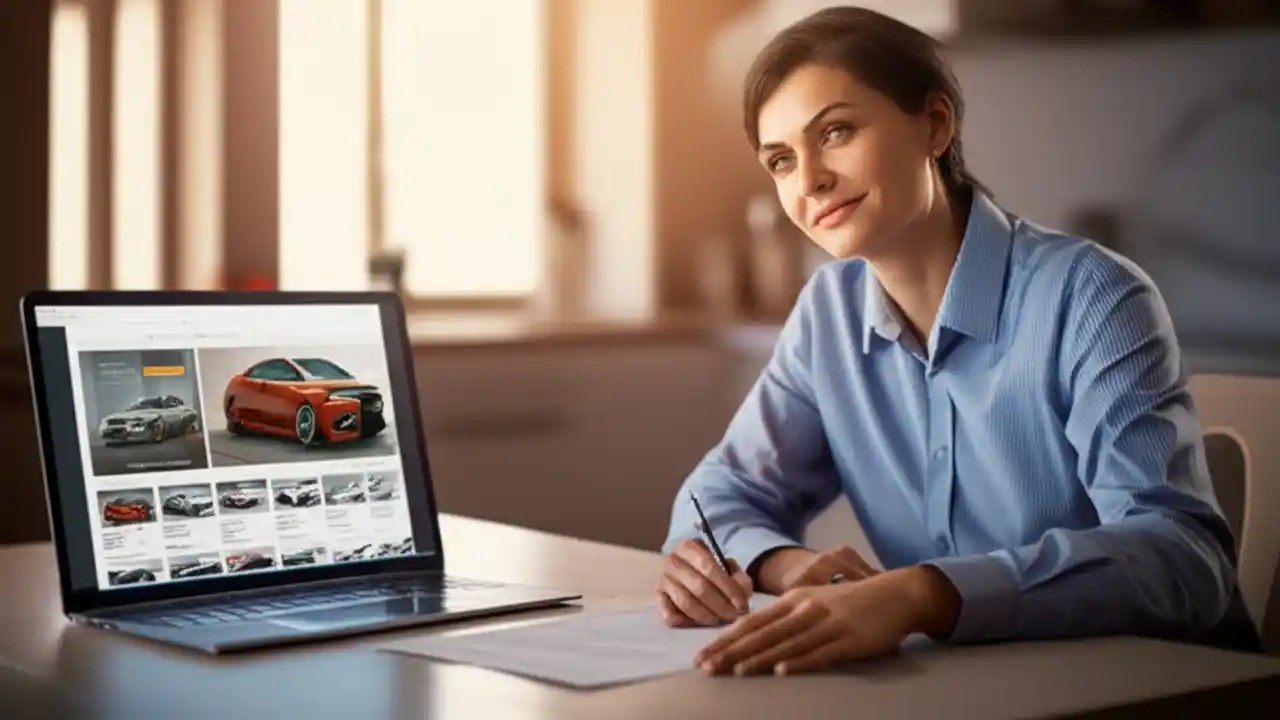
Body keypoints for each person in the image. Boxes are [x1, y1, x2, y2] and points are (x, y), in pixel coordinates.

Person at [658, 6, 1260, 677]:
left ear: (935, 126)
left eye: (836, 131)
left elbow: (1183, 558)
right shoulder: (827, 314)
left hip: (1170, 689)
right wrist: (787, 565)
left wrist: (925, 592)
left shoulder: (1093, 298)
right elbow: (715, 499)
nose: (809, 180)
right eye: (780, 160)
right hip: (981, 688)